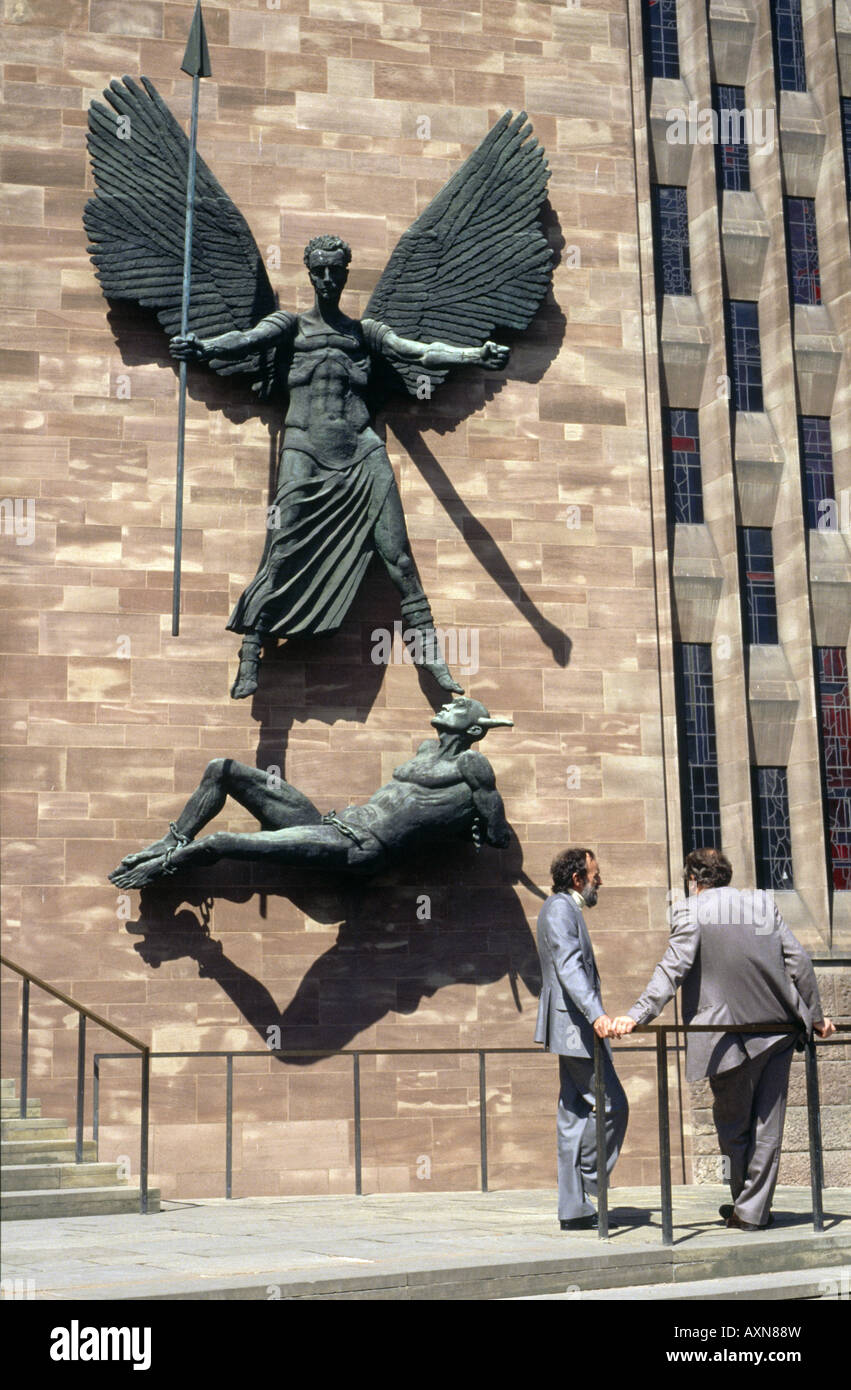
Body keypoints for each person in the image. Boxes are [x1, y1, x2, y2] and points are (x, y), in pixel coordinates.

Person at [170, 235, 510, 699]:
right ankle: (250, 655)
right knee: (283, 545)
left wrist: (474, 357)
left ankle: (434, 661)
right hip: (304, 448)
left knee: (400, 558)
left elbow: (418, 352)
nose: (328, 279)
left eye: (336, 271)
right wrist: (204, 348)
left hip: (362, 451)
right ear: (309, 273)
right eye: (319, 271)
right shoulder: (289, 326)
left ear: (346, 274)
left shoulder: (365, 333)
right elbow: (245, 341)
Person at [611, 848, 836, 1231]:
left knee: (732, 1127)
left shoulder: (691, 910)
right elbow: (798, 960)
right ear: (725, 876)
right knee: (769, 1124)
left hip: (728, 1037)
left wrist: (636, 1015)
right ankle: (751, 1207)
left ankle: (746, 1208)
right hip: (779, 1030)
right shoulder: (762, 905)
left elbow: (672, 971)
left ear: (693, 881)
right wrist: (815, 1018)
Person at [109, 697, 512, 889]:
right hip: (331, 825)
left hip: (362, 847)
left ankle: (163, 866)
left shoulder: (472, 767)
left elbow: (497, 835)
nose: (446, 705)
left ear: (474, 731)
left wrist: (464, 825)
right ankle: (170, 841)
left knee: (221, 842)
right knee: (222, 770)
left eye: (458, 707)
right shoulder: (425, 750)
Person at [534, 848, 629, 1230]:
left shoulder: (562, 909)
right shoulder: (560, 909)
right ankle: (591, 1177)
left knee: (574, 1116)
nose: (600, 881)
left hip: (570, 1030)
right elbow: (570, 967)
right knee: (613, 1105)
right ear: (578, 879)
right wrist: (598, 1015)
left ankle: (573, 1209)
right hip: (575, 1030)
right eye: (596, 874)